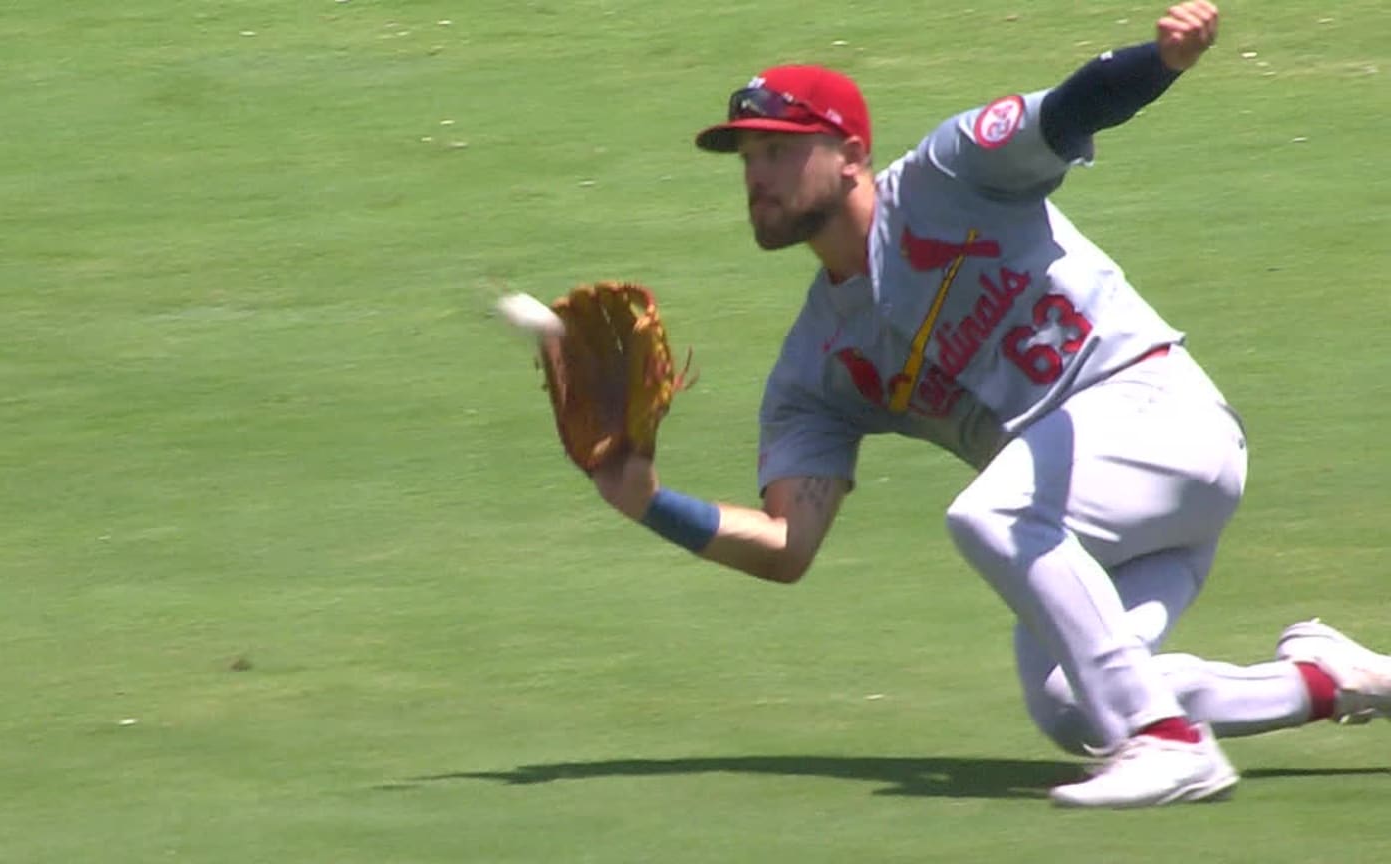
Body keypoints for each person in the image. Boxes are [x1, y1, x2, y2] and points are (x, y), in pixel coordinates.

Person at [589, 1, 1391, 808]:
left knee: (992, 515)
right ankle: (1333, 680)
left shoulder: (949, 175)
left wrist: (1163, 62)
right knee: (1076, 707)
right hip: (1100, 518)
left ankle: (1170, 745)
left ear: (852, 156)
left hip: (1162, 419)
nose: (757, 174)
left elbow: (1067, 109)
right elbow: (786, 546)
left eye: (779, 149)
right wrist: (648, 502)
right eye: (747, 158)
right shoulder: (815, 369)